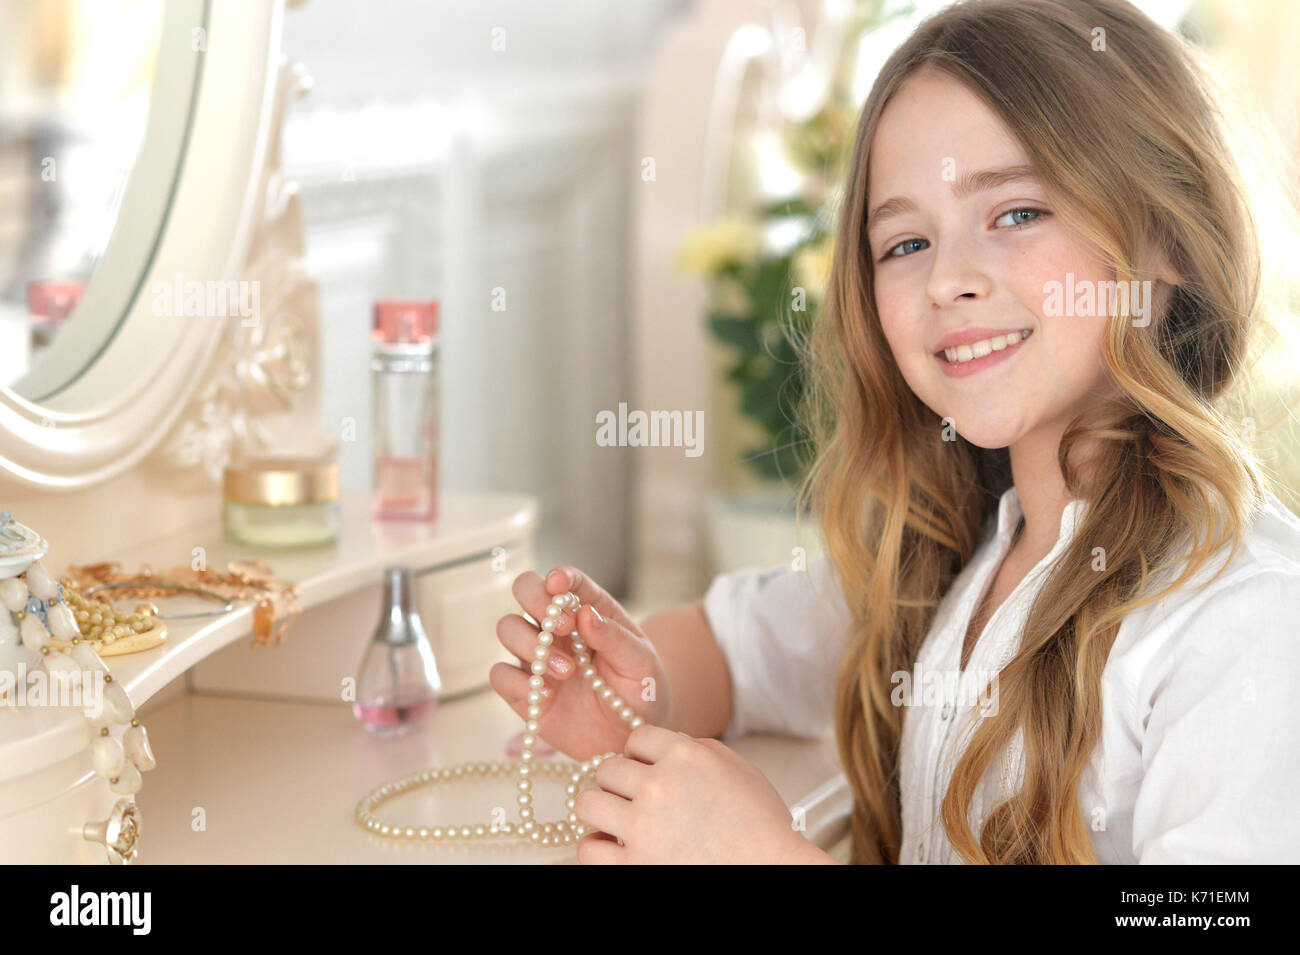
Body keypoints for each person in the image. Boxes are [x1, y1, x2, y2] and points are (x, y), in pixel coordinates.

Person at [491, 0, 1300, 864]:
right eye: (906, 243)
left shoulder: (1249, 619)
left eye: (1017, 213)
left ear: (1166, 238)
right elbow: (741, 652)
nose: (949, 278)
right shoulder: (950, 549)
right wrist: (639, 691)